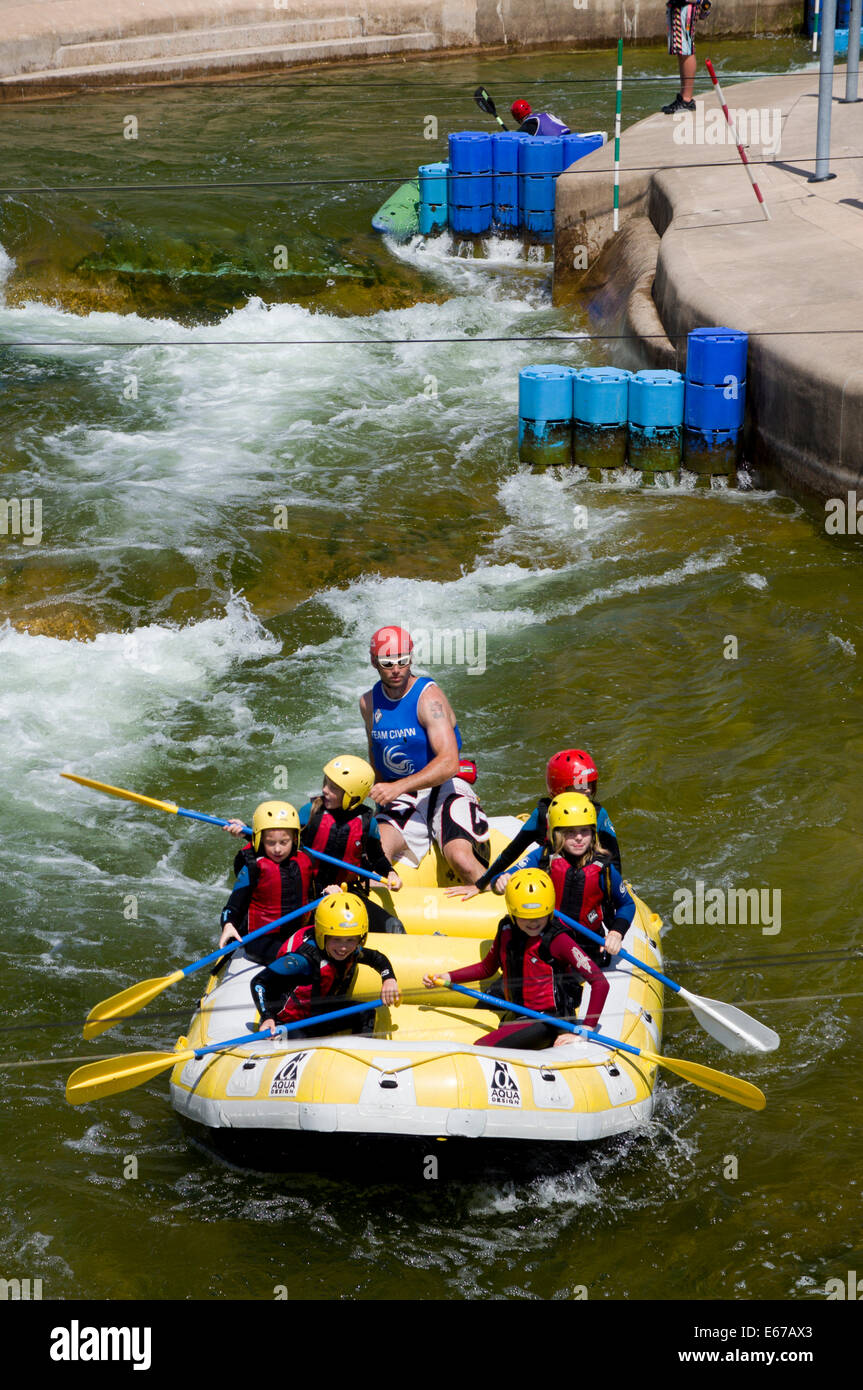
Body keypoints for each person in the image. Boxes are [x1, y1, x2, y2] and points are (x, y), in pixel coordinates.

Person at [360, 625, 491, 883]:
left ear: (411, 657)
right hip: (402, 795)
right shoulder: (368, 703)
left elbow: (449, 763)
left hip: (444, 787)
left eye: (402, 661)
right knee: (374, 857)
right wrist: (380, 796)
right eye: (388, 663)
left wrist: (398, 787)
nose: (396, 669)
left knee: (461, 860)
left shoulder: (429, 698)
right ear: (374, 661)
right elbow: (375, 756)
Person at [423, 868, 608, 1049]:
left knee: (481, 1047)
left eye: (540, 916)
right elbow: (487, 968)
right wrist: (448, 977)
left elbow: (600, 982)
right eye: (525, 917)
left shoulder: (558, 939)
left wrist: (586, 1029)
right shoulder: (506, 930)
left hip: (547, 1021)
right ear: (513, 912)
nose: (533, 923)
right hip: (517, 1014)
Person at [449, 747, 621, 901]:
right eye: (581, 785)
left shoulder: (598, 814)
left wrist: (612, 894)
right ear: (560, 788)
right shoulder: (542, 814)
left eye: (590, 784)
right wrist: (480, 884)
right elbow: (512, 852)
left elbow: (614, 858)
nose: (588, 790)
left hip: (587, 882)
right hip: (550, 882)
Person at [250, 890, 400, 1039]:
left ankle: (358, 1052)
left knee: (366, 1013)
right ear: (323, 935)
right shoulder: (301, 960)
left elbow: (377, 958)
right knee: (303, 1041)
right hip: (291, 1022)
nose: (343, 948)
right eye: (336, 939)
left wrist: (389, 979)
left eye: (350, 940)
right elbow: (259, 982)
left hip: (318, 1014)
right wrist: (267, 1016)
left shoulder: (351, 950)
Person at [298, 755, 406, 934]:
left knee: (394, 927)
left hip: (346, 893)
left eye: (333, 788)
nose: (325, 790)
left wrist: (391, 873)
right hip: (310, 895)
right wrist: (247, 832)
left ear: (353, 796)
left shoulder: (366, 822)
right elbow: (280, 844)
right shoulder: (310, 812)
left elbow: (376, 856)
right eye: (326, 783)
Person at [218, 800, 318, 964]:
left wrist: (328, 893)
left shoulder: (305, 858)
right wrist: (228, 924)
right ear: (261, 840)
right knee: (303, 957)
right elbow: (232, 907)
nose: (277, 849)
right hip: (262, 940)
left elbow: (315, 893)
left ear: (294, 838)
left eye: (283, 842)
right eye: (270, 843)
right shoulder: (253, 867)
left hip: (297, 933)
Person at [541, 792, 635, 965]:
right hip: (548, 940)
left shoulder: (603, 868)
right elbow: (509, 876)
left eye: (585, 831)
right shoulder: (543, 858)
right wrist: (501, 880)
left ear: (593, 833)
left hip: (588, 944)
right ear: (556, 833)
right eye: (570, 832)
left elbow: (627, 904)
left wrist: (616, 932)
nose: (578, 837)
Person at [661, 0, 710, 114]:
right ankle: (684, 97)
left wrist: (700, 2)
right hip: (680, 6)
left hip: (685, 6)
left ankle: (687, 99)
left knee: (686, 49)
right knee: (681, 50)